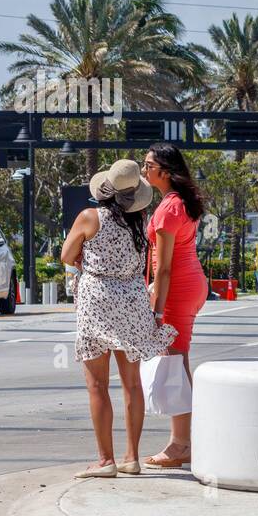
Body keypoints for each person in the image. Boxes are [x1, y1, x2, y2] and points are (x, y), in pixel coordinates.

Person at [61, 160, 177, 478]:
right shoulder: (140, 220)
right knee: (132, 385)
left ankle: (105, 460)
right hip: (132, 302)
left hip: (97, 301)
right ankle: (132, 457)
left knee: (97, 385)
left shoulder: (89, 217)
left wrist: (86, 255)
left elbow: (66, 255)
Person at [140, 143, 209, 468]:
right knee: (178, 362)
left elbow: (163, 267)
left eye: (148, 164)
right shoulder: (180, 203)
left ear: (164, 172)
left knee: (176, 362)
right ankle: (185, 440)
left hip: (178, 287)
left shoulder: (168, 209)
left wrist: (156, 308)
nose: (144, 170)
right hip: (191, 282)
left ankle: (181, 444)